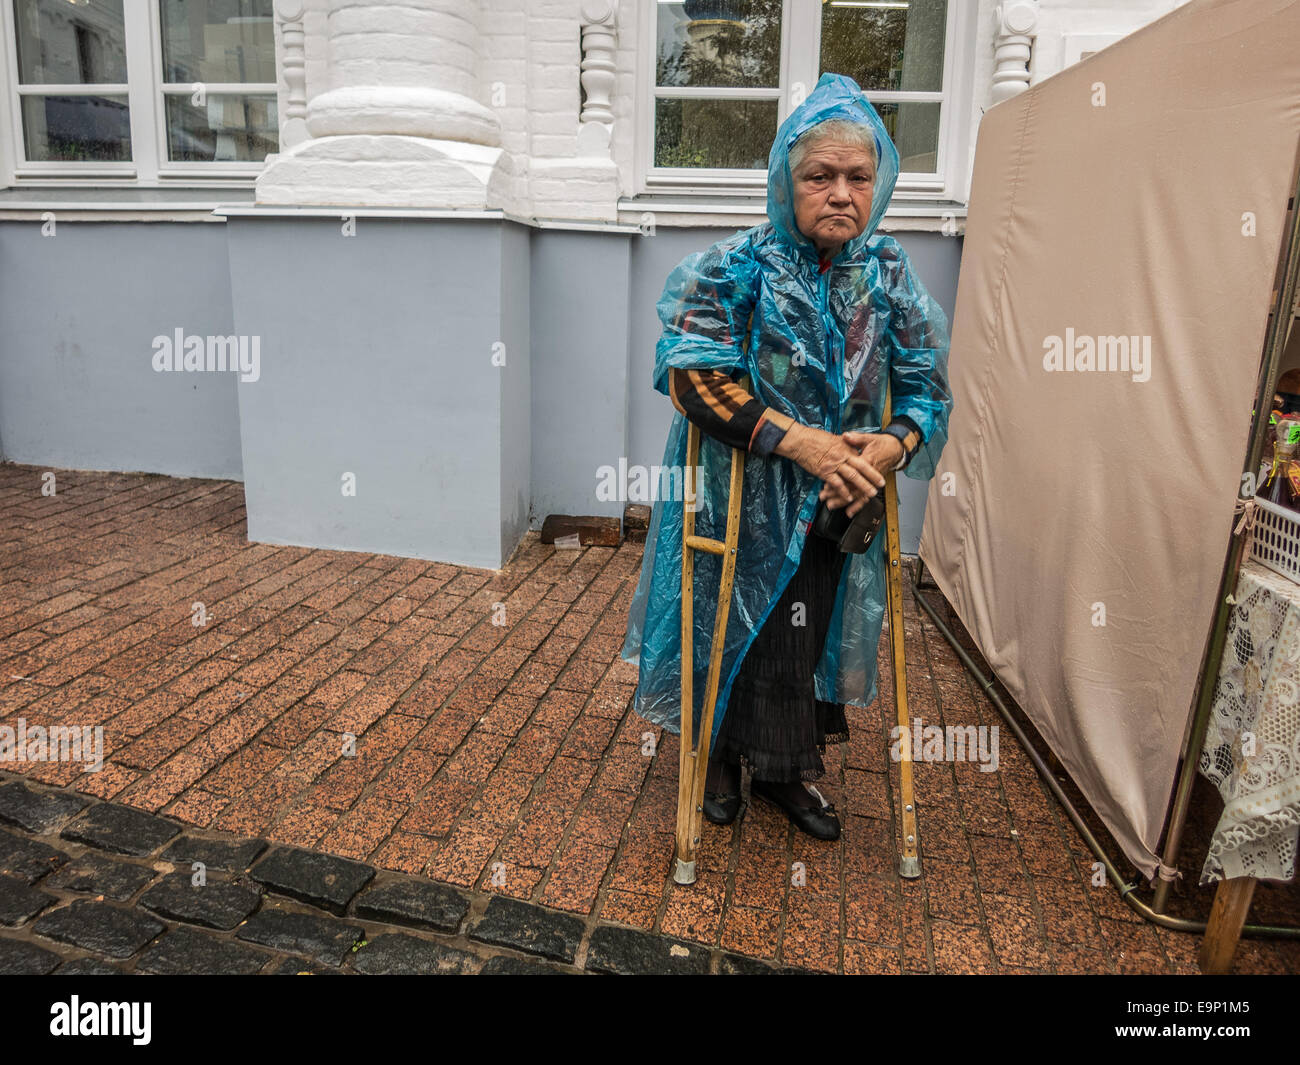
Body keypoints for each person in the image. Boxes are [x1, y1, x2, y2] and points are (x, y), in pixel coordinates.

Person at [621, 73, 953, 842]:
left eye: (858, 177)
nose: (841, 192)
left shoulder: (891, 275)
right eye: (821, 176)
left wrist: (897, 440)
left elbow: (924, 385)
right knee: (727, 622)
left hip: (840, 501)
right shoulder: (733, 268)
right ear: (785, 181)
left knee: (805, 635)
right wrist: (797, 440)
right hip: (741, 496)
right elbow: (692, 376)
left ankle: (782, 769)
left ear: (880, 182)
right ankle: (716, 760)